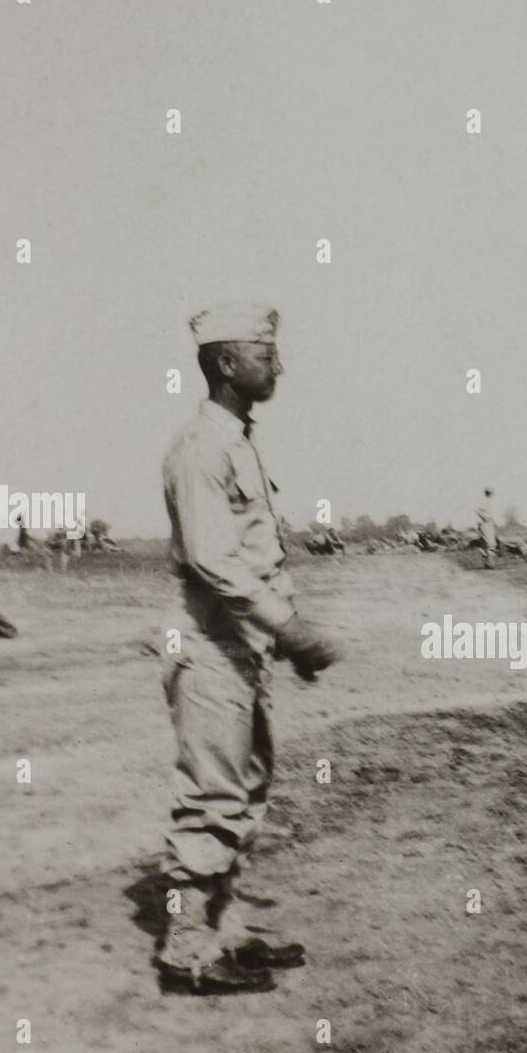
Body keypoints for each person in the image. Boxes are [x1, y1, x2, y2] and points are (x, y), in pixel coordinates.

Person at [159, 304, 338, 995]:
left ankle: (224, 930)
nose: (279, 366)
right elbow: (212, 560)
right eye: (266, 355)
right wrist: (288, 629)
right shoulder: (201, 447)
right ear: (227, 364)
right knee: (209, 800)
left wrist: (277, 637)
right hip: (208, 650)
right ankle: (186, 953)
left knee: (244, 791)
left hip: (240, 650)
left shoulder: (234, 440)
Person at [475, 489, 498, 568]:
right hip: (485, 524)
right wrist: (485, 518)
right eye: (490, 493)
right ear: (488, 493)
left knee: (488, 544)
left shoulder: (489, 502)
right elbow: (477, 511)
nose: (491, 495)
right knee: (490, 543)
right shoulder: (484, 501)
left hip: (489, 523)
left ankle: (488, 563)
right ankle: (490, 564)